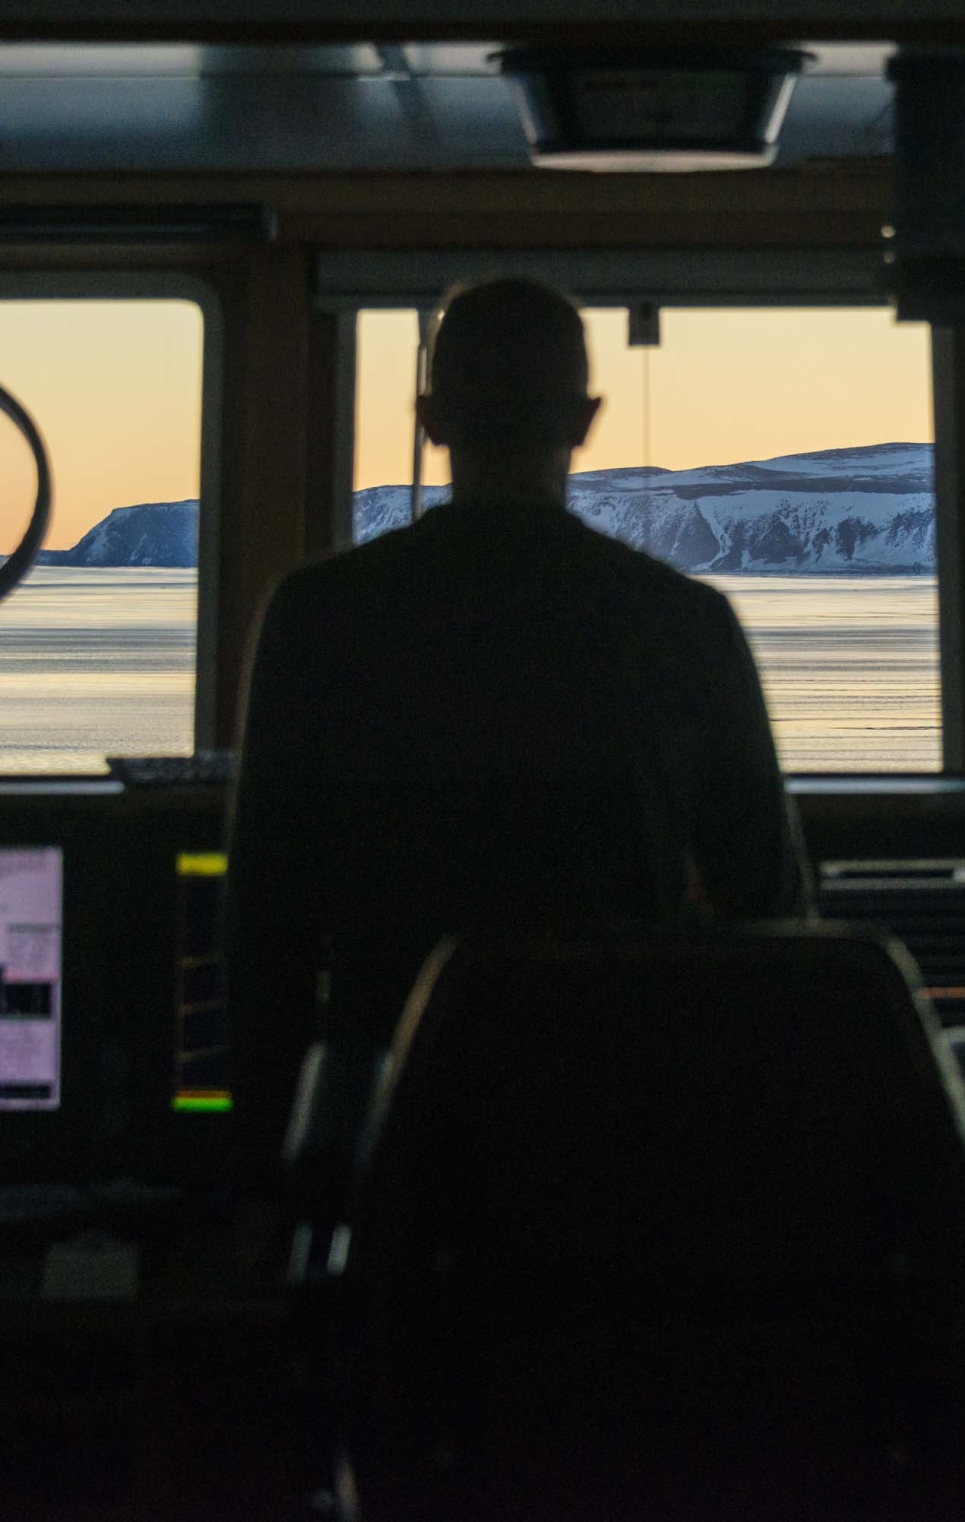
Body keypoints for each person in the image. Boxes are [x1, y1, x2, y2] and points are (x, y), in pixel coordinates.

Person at [223, 275, 813, 1174]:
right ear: (583, 420)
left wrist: (269, 1185)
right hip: (627, 1151)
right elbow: (770, 924)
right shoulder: (685, 625)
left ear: (431, 418)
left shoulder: (316, 617)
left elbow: (268, 931)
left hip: (396, 1151)